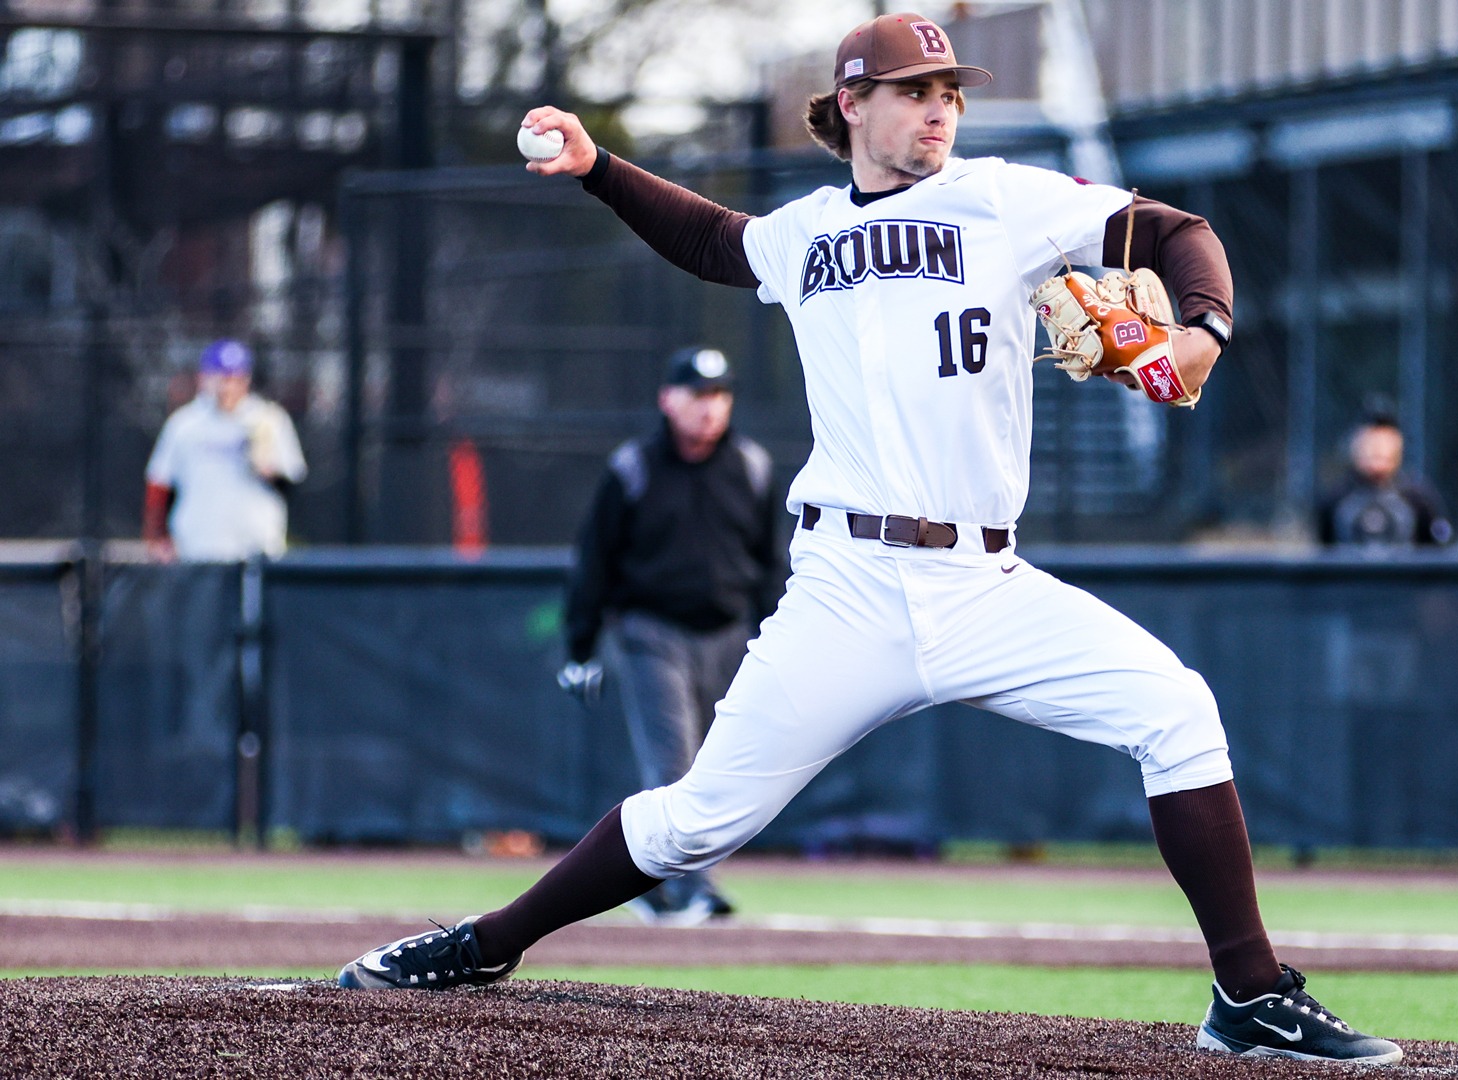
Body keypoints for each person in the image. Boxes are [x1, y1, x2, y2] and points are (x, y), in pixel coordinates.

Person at [338, 12, 1400, 1066]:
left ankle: (1250, 994)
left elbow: (1176, 233)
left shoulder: (1007, 200)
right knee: (697, 822)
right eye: (914, 91)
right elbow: (713, 241)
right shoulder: (805, 232)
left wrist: (1200, 326)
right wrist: (596, 167)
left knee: (1176, 713)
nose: (939, 109)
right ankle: (484, 944)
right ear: (853, 104)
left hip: (988, 581)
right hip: (849, 582)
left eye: (949, 93)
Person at [557, 345, 779, 925]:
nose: (710, 408)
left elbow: (766, 562)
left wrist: (775, 634)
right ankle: (692, 887)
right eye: (698, 395)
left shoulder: (751, 466)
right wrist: (580, 647)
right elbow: (593, 561)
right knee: (675, 763)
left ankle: (650, 883)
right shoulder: (633, 467)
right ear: (668, 400)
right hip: (651, 633)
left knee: (718, 766)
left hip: (729, 634)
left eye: (720, 395)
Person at [143, 340, 307, 562]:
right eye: (220, 378)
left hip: (255, 549)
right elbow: (160, 483)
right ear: (203, 379)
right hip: (196, 548)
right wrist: (156, 537)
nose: (227, 387)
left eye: (234, 379)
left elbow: (292, 480)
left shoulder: (268, 420)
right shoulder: (185, 424)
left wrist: (266, 469)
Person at [1317, 405, 1452, 548]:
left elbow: (1443, 551)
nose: (1378, 448)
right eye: (1370, 441)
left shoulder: (1419, 500)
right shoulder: (1334, 500)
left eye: (1385, 441)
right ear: (1356, 444)